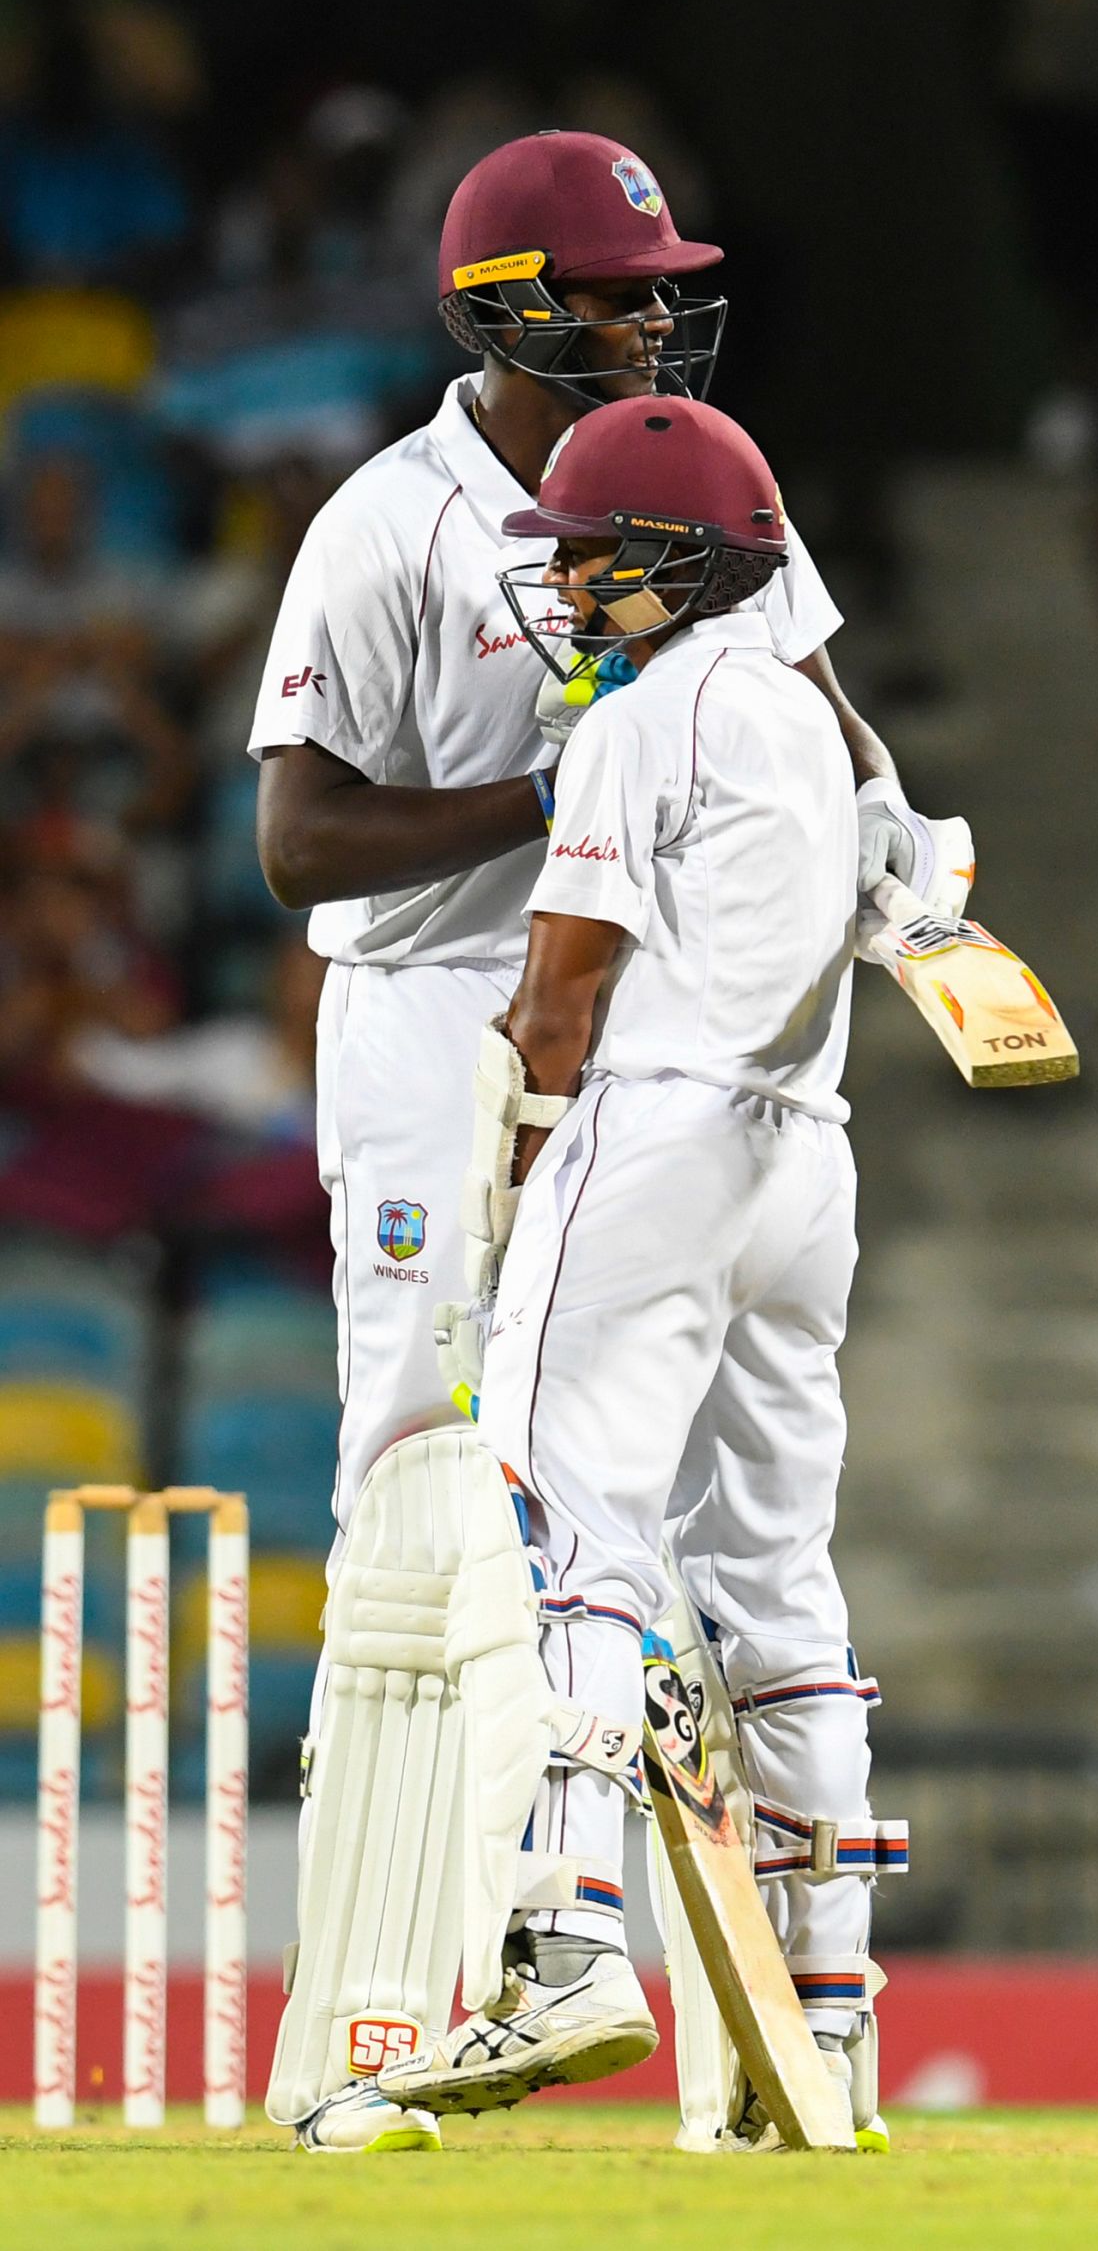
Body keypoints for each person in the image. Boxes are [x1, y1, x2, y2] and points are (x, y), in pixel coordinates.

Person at [252, 128, 967, 2154]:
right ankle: (384, 1999)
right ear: (504, 309)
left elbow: (837, 729)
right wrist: (573, 788)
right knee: (418, 1479)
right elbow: (299, 840)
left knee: (636, 1514)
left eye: (663, 286)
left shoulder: (692, 481)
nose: (657, 316)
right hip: (431, 1026)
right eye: (619, 289)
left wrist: (889, 856)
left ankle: (667, 1987)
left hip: (628, 1035)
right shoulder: (388, 524)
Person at [377, 394, 882, 2142]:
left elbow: (562, 998)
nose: (571, 584)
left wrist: (510, 1193)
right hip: (804, 1160)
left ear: (675, 556)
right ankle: (830, 2022)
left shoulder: (645, 718)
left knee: (566, 1523)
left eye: (593, 553)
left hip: (655, 1138)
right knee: (783, 1581)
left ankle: (567, 1939)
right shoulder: (814, 727)